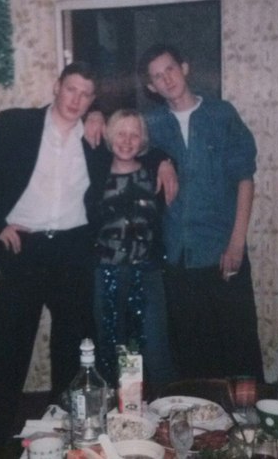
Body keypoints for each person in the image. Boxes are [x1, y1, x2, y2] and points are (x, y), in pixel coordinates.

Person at [0, 61, 176, 458]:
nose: (76, 100)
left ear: (94, 101)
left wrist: (162, 158)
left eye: (86, 95)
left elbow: (133, 145)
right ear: (57, 87)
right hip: (24, 250)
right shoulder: (16, 125)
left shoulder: (95, 136)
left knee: (75, 353)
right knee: (7, 351)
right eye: (71, 90)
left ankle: (71, 442)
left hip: (74, 251)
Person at [137, 43, 264, 383]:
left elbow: (245, 179)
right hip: (178, 258)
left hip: (223, 251)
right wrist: (159, 158)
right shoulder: (151, 125)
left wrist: (236, 243)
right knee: (193, 358)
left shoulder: (222, 115)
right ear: (151, 87)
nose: (167, 79)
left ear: (184, 68)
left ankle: (247, 416)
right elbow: (118, 139)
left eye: (170, 69)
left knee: (240, 352)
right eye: (157, 77)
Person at [85, 109, 177, 395]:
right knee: (111, 349)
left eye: (134, 135)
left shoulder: (153, 172)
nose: (127, 141)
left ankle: (166, 412)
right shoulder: (95, 172)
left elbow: (164, 159)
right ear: (109, 137)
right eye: (120, 134)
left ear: (143, 140)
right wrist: (94, 113)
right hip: (104, 275)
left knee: (156, 350)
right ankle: (118, 413)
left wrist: (164, 161)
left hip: (147, 274)